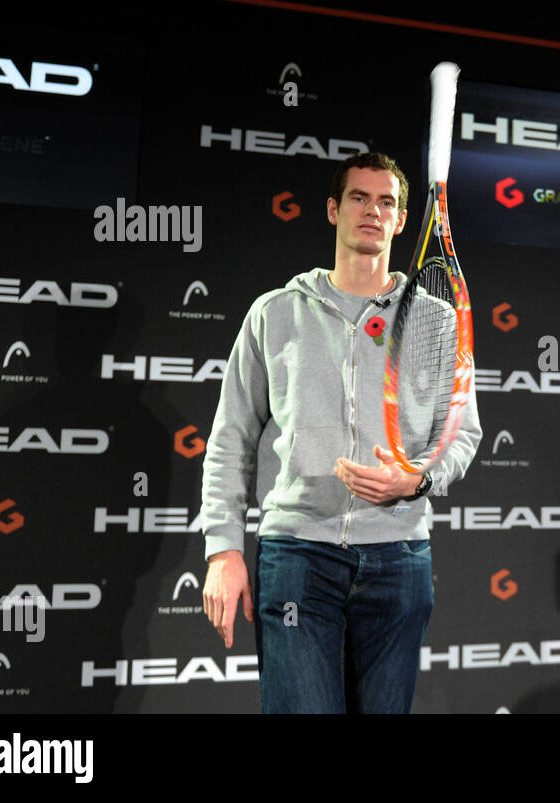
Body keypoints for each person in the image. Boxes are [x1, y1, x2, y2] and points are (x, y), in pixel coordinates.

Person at [199, 152, 481, 713]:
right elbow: (230, 439)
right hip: (298, 557)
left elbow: (461, 433)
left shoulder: (437, 320)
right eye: (358, 198)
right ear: (333, 209)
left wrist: (415, 480)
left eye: (386, 202)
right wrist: (222, 551)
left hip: (399, 558)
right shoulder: (274, 314)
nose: (371, 211)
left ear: (401, 221)